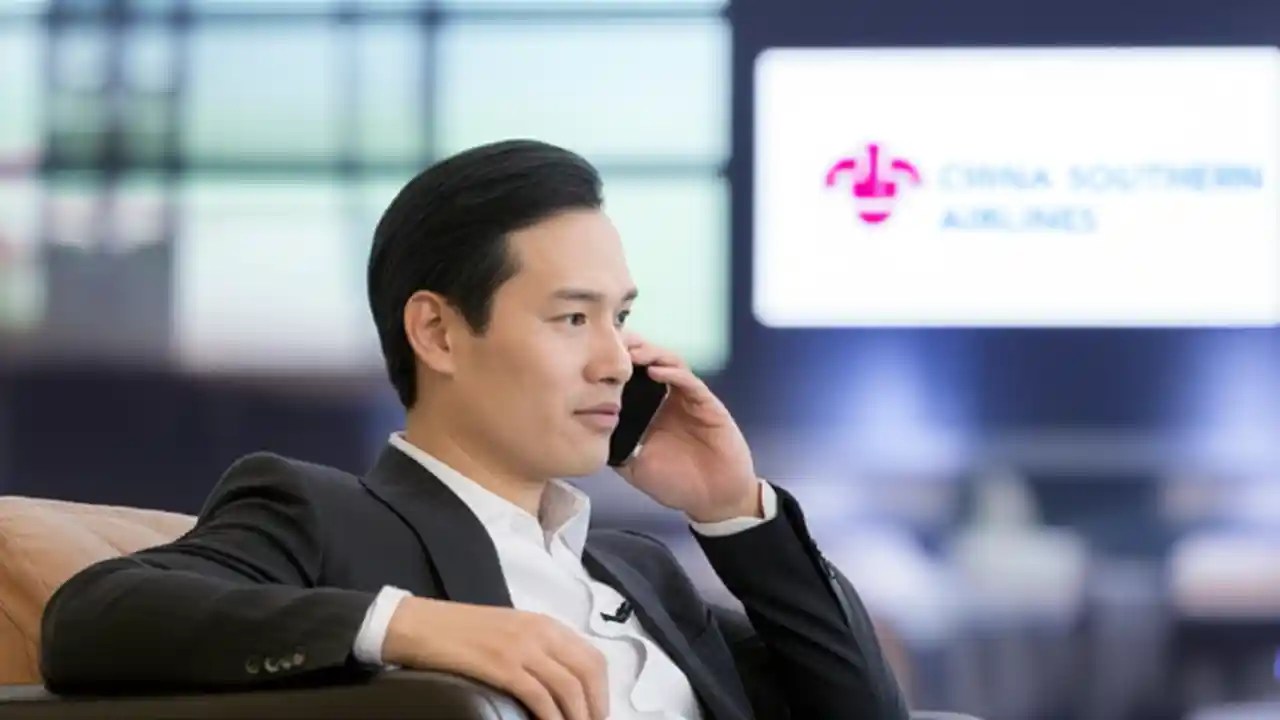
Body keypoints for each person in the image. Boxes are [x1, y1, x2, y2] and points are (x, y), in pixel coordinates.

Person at [39, 140, 908, 720]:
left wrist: (734, 512)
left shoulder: (636, 572)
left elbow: (865, 707)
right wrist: (413, 627)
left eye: (622, 317)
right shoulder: (321, 514)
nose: (617, 361)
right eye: (572, 319)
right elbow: (91, 619)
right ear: (439, 333)